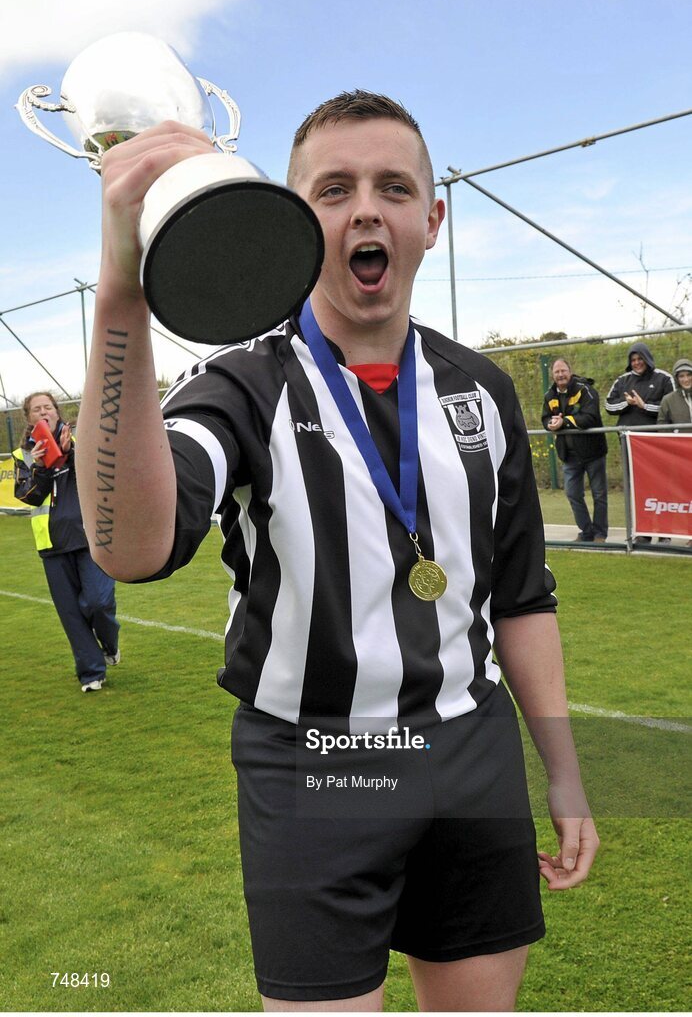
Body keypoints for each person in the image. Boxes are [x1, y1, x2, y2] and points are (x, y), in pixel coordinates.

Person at [75, 91, 598, 1012]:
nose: (366, 208)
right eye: (333, 190)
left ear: (431, 220)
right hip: (314, 762)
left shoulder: (479, 388)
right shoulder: (239, 385)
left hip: (471, 751)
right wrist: (122, 296)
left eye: (394, 187)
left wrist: (563, 772)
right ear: (292, 217)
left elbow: (521, 596)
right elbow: (129, 545)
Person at [13, 392, 120, 692]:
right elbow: (28, 496)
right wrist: (42, 467)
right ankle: (91, 673)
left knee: (98, 602)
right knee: (71, 614)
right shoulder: (22, 455)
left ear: (57, 412)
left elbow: (101, 472)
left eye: (48, 406)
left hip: (90, 538)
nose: (43, 411)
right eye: (36, 409)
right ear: (29, 418)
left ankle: (110, 645)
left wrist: (69, 452)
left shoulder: (81, 440)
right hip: (52, 544)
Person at [542, 359, 608, 543]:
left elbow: (591, 416)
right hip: (569, 456)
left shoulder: (584, 390)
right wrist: (550, 424)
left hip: (593, 452)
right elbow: (545, 417)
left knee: (599, 494)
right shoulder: (549, 395)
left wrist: (565, 422)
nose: (560, 375)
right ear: (552, 375)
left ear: (570, 372)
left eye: (563, 371)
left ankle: (601, 534)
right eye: (557, 372)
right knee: (572, 493)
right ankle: (586, 531)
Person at [605, 342, 674, 425]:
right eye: (633, 360)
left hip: (655, 434)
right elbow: (609, 406)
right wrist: (626, 403)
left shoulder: (665, 378)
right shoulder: (621, 380)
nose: (637, 363)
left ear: (647, 358)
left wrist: (645, 406)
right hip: (628, 434)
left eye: (640, 358)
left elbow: (672, 407)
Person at [657, 358, 692, 427]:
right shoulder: (668, 400)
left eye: (689, 375)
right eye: (681, 376)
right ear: (677, 379)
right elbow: (662, 427)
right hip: (679, 437)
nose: (686, 379)